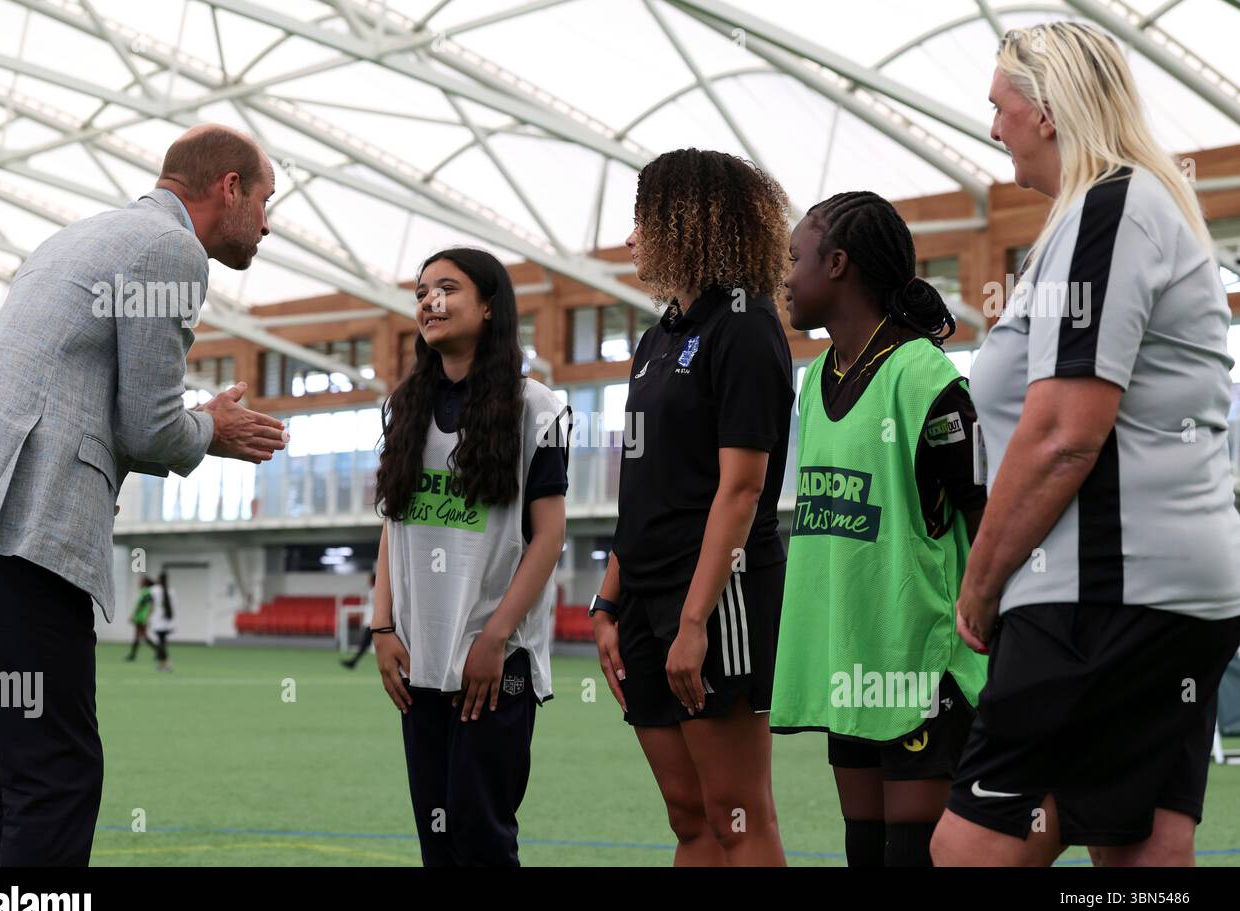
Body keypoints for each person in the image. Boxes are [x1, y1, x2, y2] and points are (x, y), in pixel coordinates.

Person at [932, 22, 1240, 867]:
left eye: (1000, 107)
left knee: (967, 851)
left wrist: (981, 582)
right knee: (1140, 852)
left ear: (1046, 113)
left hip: (1105, 589)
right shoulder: (1120, 211)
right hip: (1166, 591)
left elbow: (1065, 435)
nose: (992, 128)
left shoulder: (1108, 209)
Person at [0, 124, 286, 866]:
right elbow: (149, 426)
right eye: (265, 201)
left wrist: (197, 424)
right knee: (55, 775)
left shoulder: (76, 238)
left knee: (6, 770)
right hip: (24, 524)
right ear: (229, 188)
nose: (267, 224)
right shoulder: (169, 249)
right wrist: (213, 428)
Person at [771, 191, 988, 867]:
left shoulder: (926, 377)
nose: (785, 276)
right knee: (864, 849)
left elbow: (985, 514)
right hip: (850, 663)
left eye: (795, 258)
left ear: (837, 264)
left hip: (919, 664)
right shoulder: (815, 379)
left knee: (911, 853)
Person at [592, 148, 795, 866]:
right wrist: (608, 602)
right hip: (644, 599)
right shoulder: (658, 338)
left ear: (689, 223)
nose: (630, 239)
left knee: (737, 816)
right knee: (690, 820)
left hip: (716, 597)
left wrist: (692, 621)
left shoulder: (746, 326)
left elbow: (742, 490)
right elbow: (643, 487)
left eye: (643, 221)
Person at [369, 247, 568, 867]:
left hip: (495, 661)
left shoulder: (537, 407)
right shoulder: (404, 407)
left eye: (448, 288)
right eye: (422, 292)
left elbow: (549, 536)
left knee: (481, 836)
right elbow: (393, 524)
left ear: (488, 307)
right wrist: (381, 628)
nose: (430, 301)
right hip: (417, 661)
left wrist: (496, 638)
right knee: (438, 840)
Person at [341, 572, 377, 669]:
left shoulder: (374, 591)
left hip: (372, 623)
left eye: (368, 579)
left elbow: (374, 608)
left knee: (366, 644)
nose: (367, 581)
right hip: (372, 622)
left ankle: (353, 662)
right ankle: (353, 662)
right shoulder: (373, 591)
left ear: (372, 580)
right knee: (365, 644)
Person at [149, 572, 176, 674]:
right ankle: (162, 665)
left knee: (160, 643)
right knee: (162, 642)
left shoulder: (154, 590)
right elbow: (174, 605)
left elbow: (151, 605)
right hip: (167, 620)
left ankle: (167, 663)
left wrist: (147, 617)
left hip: (158, 620)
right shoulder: (171, 590)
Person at [125, 576, 157, 662]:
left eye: (141, 581)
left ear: (145, 583)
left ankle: (159, 652)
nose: (139, 583)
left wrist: (133, 615)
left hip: (140, 617)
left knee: (142, 636)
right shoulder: (149, 592)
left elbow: (140, 605)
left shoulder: (145, 592)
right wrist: (148, 615)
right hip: (143, 617)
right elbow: (152, 606)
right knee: (140, 636)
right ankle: (133, 655)